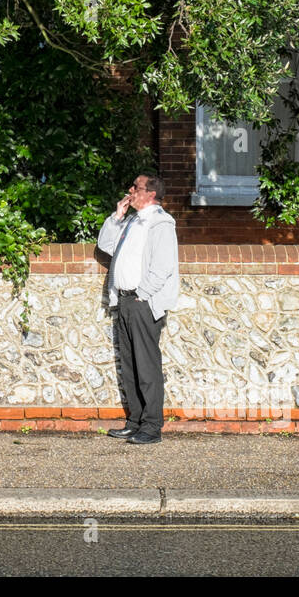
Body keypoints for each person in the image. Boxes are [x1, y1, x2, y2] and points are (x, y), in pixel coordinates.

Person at [96, 172, 179, 444]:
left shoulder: (160, 223)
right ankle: (135, 421)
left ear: (151, 194)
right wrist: (116, 216)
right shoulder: (132, 221)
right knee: (130, 366)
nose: (130, 190)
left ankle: (152, 427)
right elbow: (106, 247)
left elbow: (163, 267)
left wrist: (143, 295)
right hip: (125, 301)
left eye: (136, 187)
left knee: (146, 366)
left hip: (143, 303)